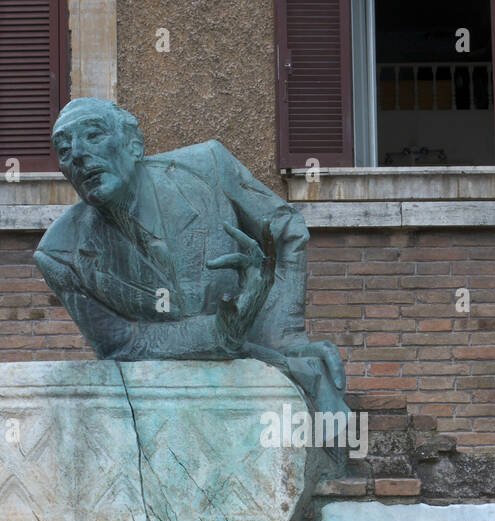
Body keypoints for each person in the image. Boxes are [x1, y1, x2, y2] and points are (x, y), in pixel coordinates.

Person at [34, 98, 349, 426]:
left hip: (246, 380)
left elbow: (286, 231)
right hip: (164, 407)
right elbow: (121, 342)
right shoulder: (60, 254)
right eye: (64, 150)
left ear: (134, 145)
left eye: (94, 136)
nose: (79, 154)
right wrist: (221, 331)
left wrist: (285, 339)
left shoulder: (209, 167)